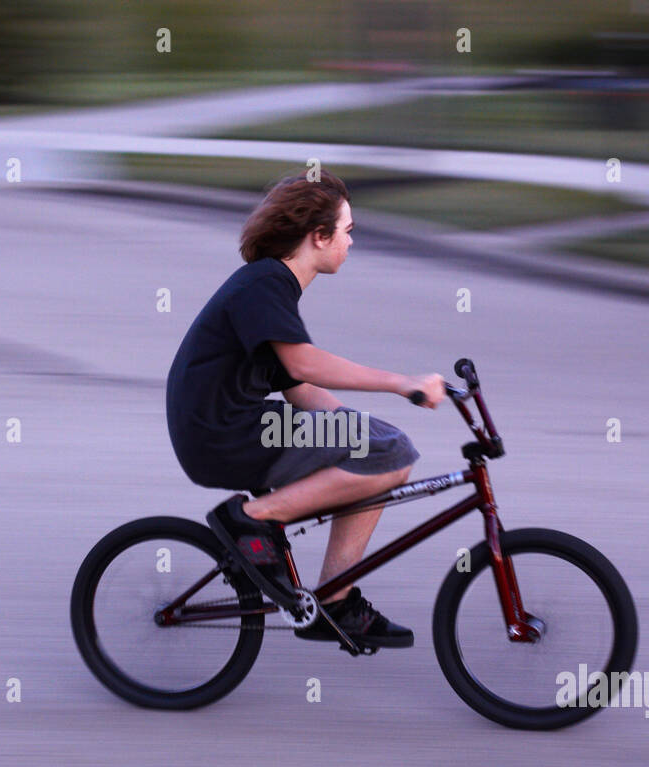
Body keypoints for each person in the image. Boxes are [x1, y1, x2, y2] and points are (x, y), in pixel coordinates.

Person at [165, 171, 446, 647]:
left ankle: (335, 602)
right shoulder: (264, 284)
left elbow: (299, 387)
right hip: (226, 432)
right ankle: (254, 521)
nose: (351, 243)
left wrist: (358, 429)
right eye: (347, 231)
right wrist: (402, 383)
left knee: (382, 450)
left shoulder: (271, 287)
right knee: (390, 451)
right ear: (319, 236)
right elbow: (303, 361)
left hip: (231, 427)